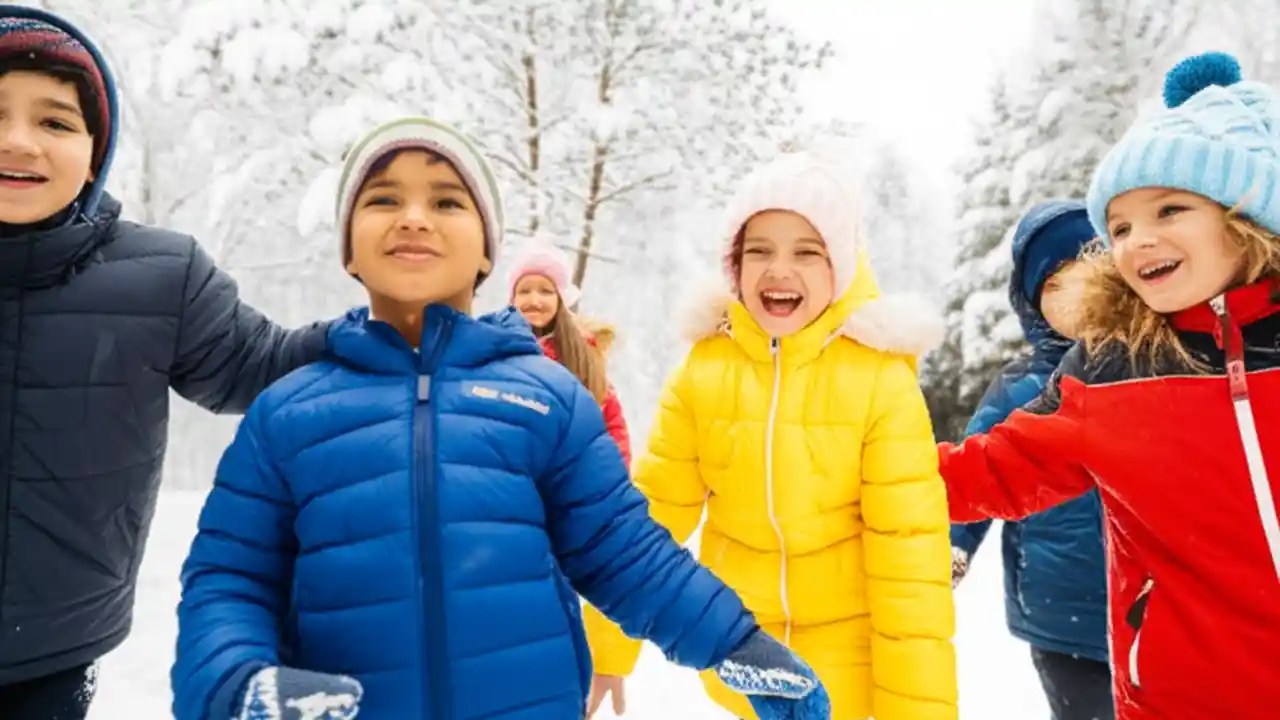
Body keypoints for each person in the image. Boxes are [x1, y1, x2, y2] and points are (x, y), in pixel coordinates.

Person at [170, 116, 831, 720]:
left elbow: (626, 554)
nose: (414, 218)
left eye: (447, 201)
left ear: (487, 251)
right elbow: (230, 578)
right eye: (383, 200)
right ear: (349, 248)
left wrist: (737, 641)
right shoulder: (289, 411)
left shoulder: (545, 398)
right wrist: (236, 683)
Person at [0, 7, 329, 719]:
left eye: (55, 122)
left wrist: (391, 327)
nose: (18, 141)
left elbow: (261, 364)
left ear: (96, 149)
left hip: (53, 644)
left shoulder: (157, 277)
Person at [939, 52, 1280, 720]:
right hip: (1179, 699)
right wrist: (847, 462)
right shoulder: (1110, 369)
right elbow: (988, 469)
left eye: (1170, 208)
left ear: (1249, 216)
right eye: (1119, 227)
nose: (1136, 240)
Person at [584, 151, 957, 720]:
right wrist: (606, 648)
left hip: (851, 668)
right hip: (747, 660)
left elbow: (909, 559)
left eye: (807, 252)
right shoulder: (706, 371)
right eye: (759, 250)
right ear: (734, 267)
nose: (779, 268)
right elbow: (651, 517)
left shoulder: (879, 379)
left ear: (841, 268)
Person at [949, 201, 1112, 720]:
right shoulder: (1018, 388)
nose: (1079, 295)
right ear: (1030, 301)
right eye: (1056, 284)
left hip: (1155, 609)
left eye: (1091, 274)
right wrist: (955, 542)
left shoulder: (1151, 370)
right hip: (1058, 612)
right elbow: (980, 466)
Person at [508, 240, 630, 463]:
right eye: (524, 291)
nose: (534, 300)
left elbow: (612, 431)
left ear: (560, 300)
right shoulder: (496, 354)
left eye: (545, 291)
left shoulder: (583, 360)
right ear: (512, 299)